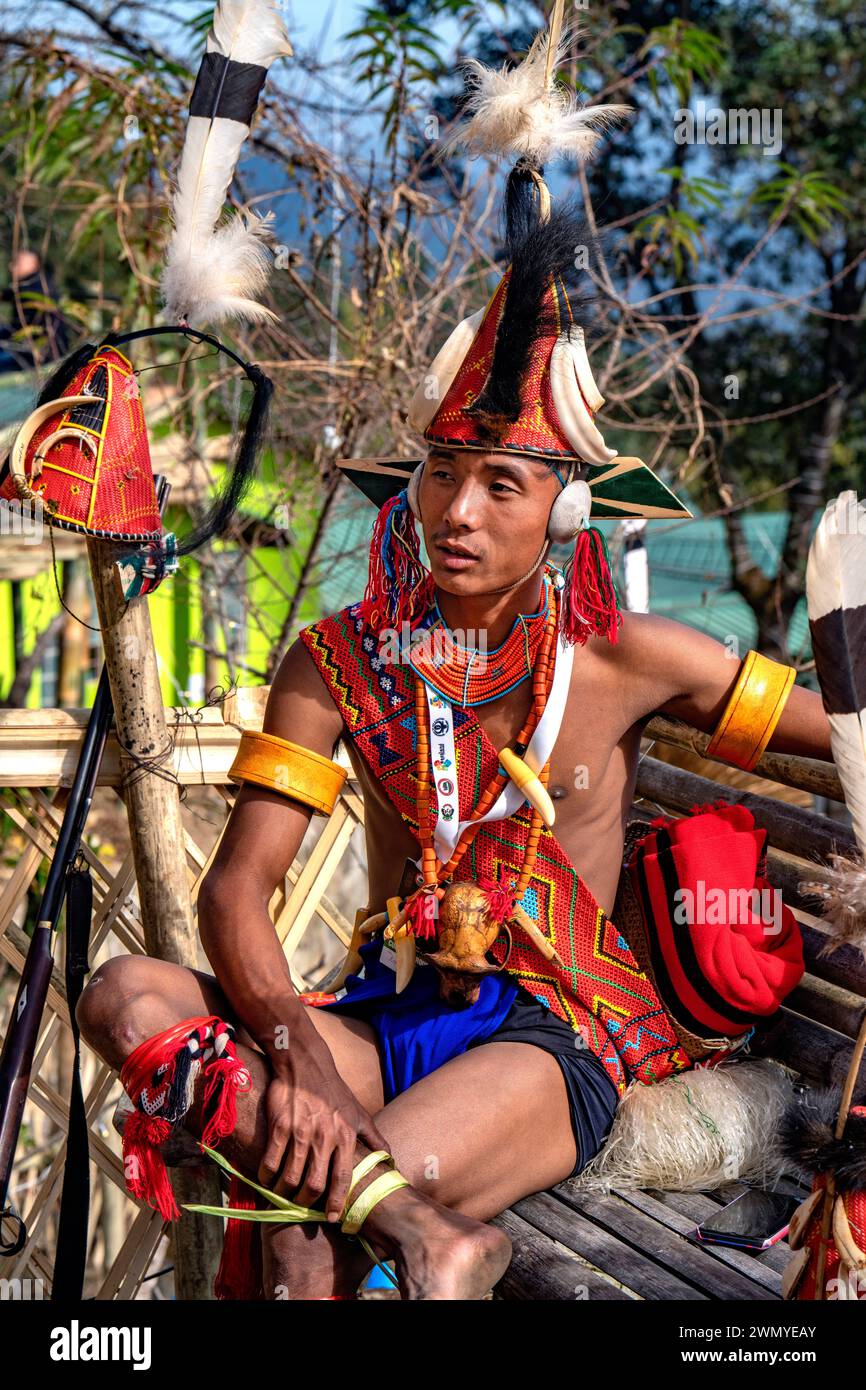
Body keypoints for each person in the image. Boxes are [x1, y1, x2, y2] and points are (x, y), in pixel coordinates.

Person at [75, 29, 836, 1301]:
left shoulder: (624, 657)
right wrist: (304, 1074)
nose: (459, 511)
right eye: (439, 472)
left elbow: (840, 731)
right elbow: (234, 900)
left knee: (303, 1212)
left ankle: (410, 1223)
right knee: (130, 994)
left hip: (550, 1043)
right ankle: (432, 1243)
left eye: (502, 482)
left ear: (566, 511)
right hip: (376, 1018)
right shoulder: (340, 660)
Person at [0, 250, 68, 372]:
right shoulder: (31, 284)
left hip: (38, 354)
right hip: (29, 346)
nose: (11, 266)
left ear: (33, 264)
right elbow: (9, 293)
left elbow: (18, 332)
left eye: (17, 262)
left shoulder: (36, 289)